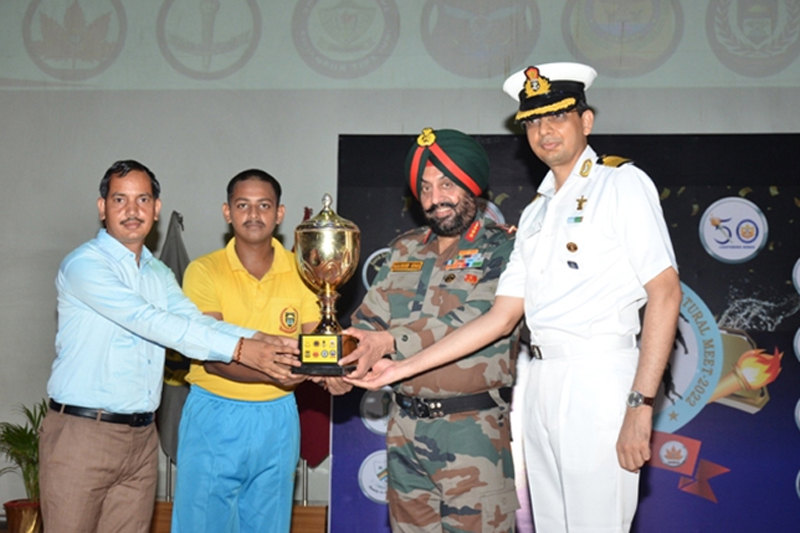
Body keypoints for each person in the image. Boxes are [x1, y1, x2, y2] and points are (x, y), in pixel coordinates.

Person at [346, 63, 682, 533]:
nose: (544, 131)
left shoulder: (620, 184)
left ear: (586, 122)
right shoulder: (536, 214)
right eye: (533, 121)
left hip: (599, 375)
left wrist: (641, 403)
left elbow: (665, 293)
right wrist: (398, 368)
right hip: (541, 381)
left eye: (558, 117)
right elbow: (501, 319)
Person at [40, 160, 301, 533]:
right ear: (102, 208)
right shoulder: (85, 266)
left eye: (143, 199)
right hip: (83, 433)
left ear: (157, 209)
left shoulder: (158, 273)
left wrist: (262, 340)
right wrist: (243, 350)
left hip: (142, 437)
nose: (133, 211)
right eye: (120, 199)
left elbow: (197, 324)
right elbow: (152, 322)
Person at [338, 127, 521, 532]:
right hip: (404, 430)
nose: (435, 198)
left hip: (473, 433)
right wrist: (338, 361)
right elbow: (370, 320)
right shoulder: (404, 249)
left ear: (471, 186)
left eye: (446, 184)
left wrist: (387, 342)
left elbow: (480, 315)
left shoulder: (504, 249)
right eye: (424, 187)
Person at [171, 169, 350, 532]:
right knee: (202, 524)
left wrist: (337, 369)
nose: (254, 215)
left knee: (268, 525)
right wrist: (288, 371)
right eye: (243, 205)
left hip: (278, 417)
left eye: (264, 205)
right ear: (227, 212)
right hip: (214, 414)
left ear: (279, 214)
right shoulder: (203, 271)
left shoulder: (304, 272)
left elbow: (317, 341)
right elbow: (213, 357)